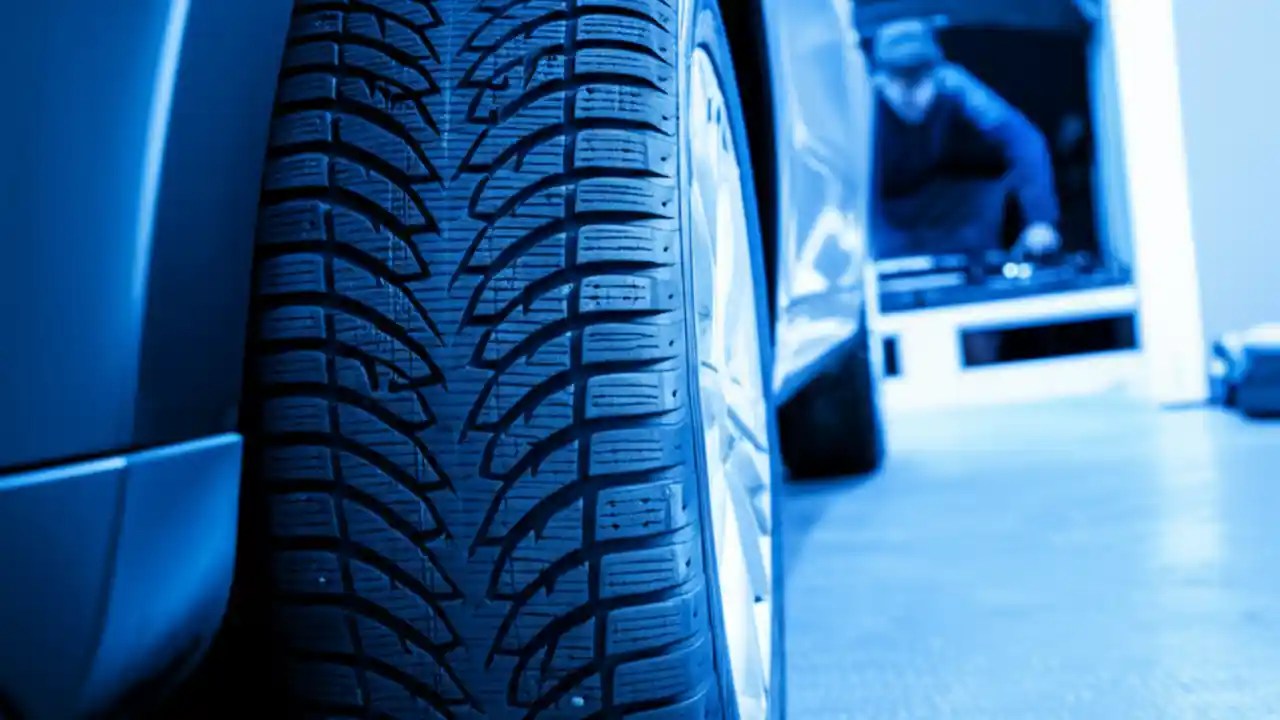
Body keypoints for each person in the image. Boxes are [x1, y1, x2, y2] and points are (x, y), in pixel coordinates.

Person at [870, 18, 1062, 261]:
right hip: (881, 208)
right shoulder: (863, 101)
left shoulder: (953, 85)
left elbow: (1022, 140)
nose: (910, 94)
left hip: (937, 201)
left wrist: (1041, 220)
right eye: (897, 80)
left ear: (936, 73)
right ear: (879, 77)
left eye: (919, 79)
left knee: (987, 193)